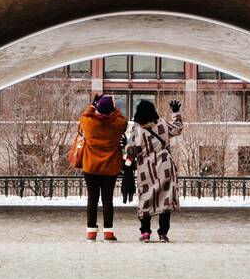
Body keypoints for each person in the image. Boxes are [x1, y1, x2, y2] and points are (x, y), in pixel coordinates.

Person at [126, 98, 184, 242]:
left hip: (146, 171)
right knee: (165, 200)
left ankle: (145, 232)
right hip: (165, 167)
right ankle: (163, 233)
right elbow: (177, 129)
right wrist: (175, 113)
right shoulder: (163, 125)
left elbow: (129, 152)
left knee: (146, 198)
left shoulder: (137, 133)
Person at [78, 94, 127, 241]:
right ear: (112, 110)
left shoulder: (88, 123)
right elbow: (123, 120)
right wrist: (114, 109)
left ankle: (91, 232)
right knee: (107, 200)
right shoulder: (118, 125)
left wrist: (93, 105)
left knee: (92, 199)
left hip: (90, 167)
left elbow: (84, 115)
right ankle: (108, 232)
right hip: (110, 168)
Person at [119, 134, 136, 204]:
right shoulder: (129, 159)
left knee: (126, 192)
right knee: (129, 192)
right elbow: (134, 167)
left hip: (126, 177)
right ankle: (127, 200)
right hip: (129, 177)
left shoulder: (126, 159)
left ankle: (127, 200)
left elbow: (122, 167)